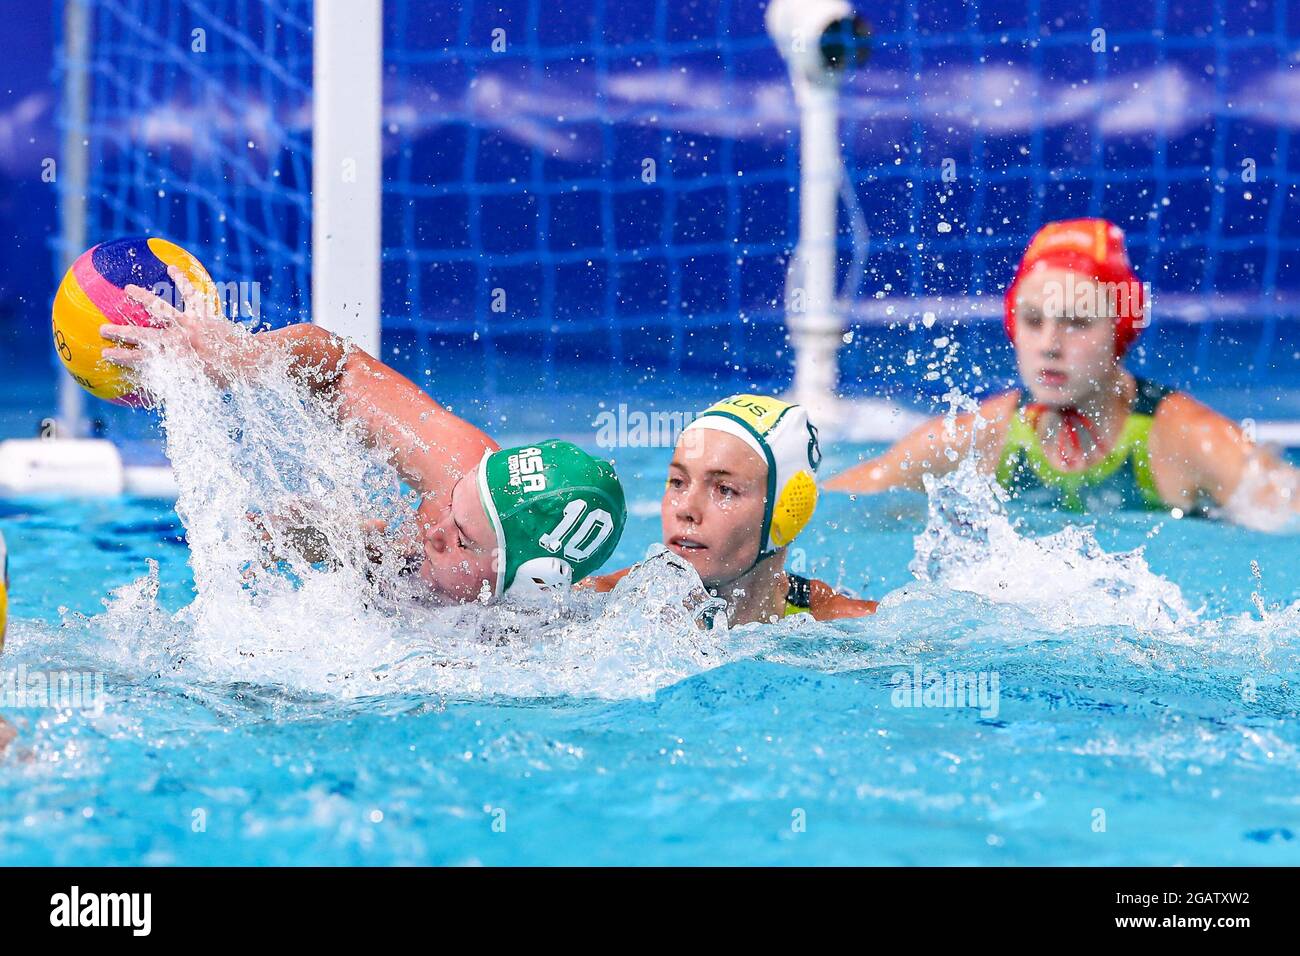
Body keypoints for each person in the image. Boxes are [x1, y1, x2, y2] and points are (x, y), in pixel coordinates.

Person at [102, 265, 627, 604]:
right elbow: (338, 366)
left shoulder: (574, 627)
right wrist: (245, 358)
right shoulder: (460, 471)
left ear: (531, 583)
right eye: (450, 509)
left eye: (460, 538)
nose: (434, 528)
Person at [826, 218, 1300, 521]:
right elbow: (840, 501)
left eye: (1076, 323)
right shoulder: (985, 435)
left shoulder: (1185, 440)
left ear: (1120, 328)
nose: (1049, 345)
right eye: (1033, 321)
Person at [588, 394, 877, 624]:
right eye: (678, 482)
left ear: (787, 511)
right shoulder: (602, 606)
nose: (686, 509)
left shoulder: (843, 624)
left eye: (724, 489)